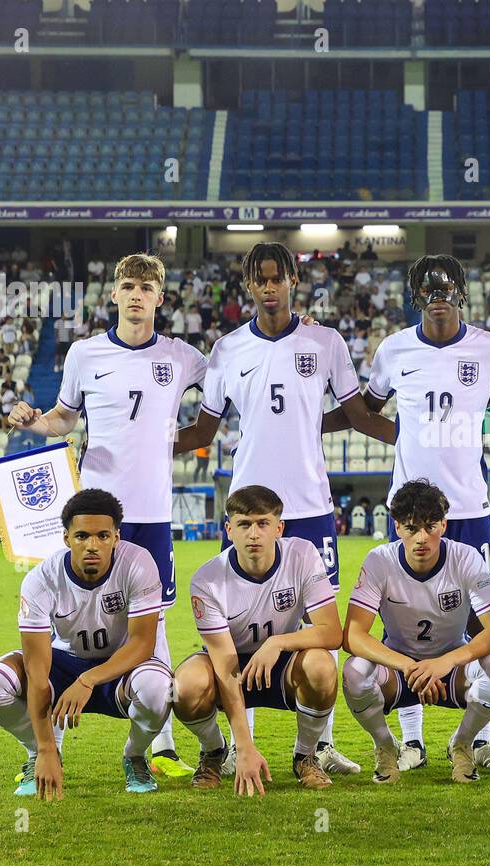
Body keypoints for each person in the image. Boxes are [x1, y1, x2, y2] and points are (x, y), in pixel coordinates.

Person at [174, 241, 396, 777]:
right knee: (238, 619)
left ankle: (317, 746)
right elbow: (204, 430)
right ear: (248, 284)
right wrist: (136, 444)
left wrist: (416, 439)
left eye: (277, 277)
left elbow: (359, 413)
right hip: (249, 504)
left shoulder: (325, 341)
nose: (269, 286)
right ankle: (231, 745)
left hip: (310, 506)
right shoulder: (226, 350)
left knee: (320, 629)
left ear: (293, 278)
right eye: (259, 278)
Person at [325, 254, 490, 772]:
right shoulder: (393, 349)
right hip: (412, 507)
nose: (439, 295)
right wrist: (400, 436)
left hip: (467, 508)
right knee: (406, 621)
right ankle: (412, 739)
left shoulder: (489, 347)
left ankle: (476, 739)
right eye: (428, 287)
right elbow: (365, 411)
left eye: (447, 287)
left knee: (473, 628)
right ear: (415, 294)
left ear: (462, 291)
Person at [6, 253, 209, 782]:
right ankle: (50, 732)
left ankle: (157, 744)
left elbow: (233, 371)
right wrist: (32, 422)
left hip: (152, 514)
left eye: (147, 286)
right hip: (95, 510)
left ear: (161, 298)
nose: (137, 294)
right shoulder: (85, 353)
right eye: (128, 285)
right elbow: (62, 419)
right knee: (72, 611)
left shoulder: (183, 356)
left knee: (154, 619)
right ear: (114, 295)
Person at [0, 489, 174, 799]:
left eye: (103, 536)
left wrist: (89, 680)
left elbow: (142, 644)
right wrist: (45, 748)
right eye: (82, 536)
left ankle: (135, 756)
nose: (92, 545)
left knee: (158, 687)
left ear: (116, 537)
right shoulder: (41, 579)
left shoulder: (138, 563)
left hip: (119, 669)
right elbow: (37, 670)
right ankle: (38, 755)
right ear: (67, 538)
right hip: (63, 667)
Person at [341, 479, 490, 783]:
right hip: (398, 669)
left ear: (444, 525)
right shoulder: (379, 560)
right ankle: (385, 745)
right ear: (397, 528)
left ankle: (462, 743)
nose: (421, 537)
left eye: (430, 526)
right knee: (354, 673)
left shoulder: (465, 557)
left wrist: (444, 663)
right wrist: (409, 666)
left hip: (452, 669)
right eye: (411, 528)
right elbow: (353, 635)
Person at [175, 485, 343, 793]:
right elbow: (225, 666)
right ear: (229, 529)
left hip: (282, 664)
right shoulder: (207, 579)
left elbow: (331, 632)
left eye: (263, 523)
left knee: (322, 665)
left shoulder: (303, 555)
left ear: (278, 528)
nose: (254, 534)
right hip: (231, 666)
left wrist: (276, 643)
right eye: (244, 524)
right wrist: (245, 746)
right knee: (185, 686)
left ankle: (305, 755)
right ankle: (214, 752)